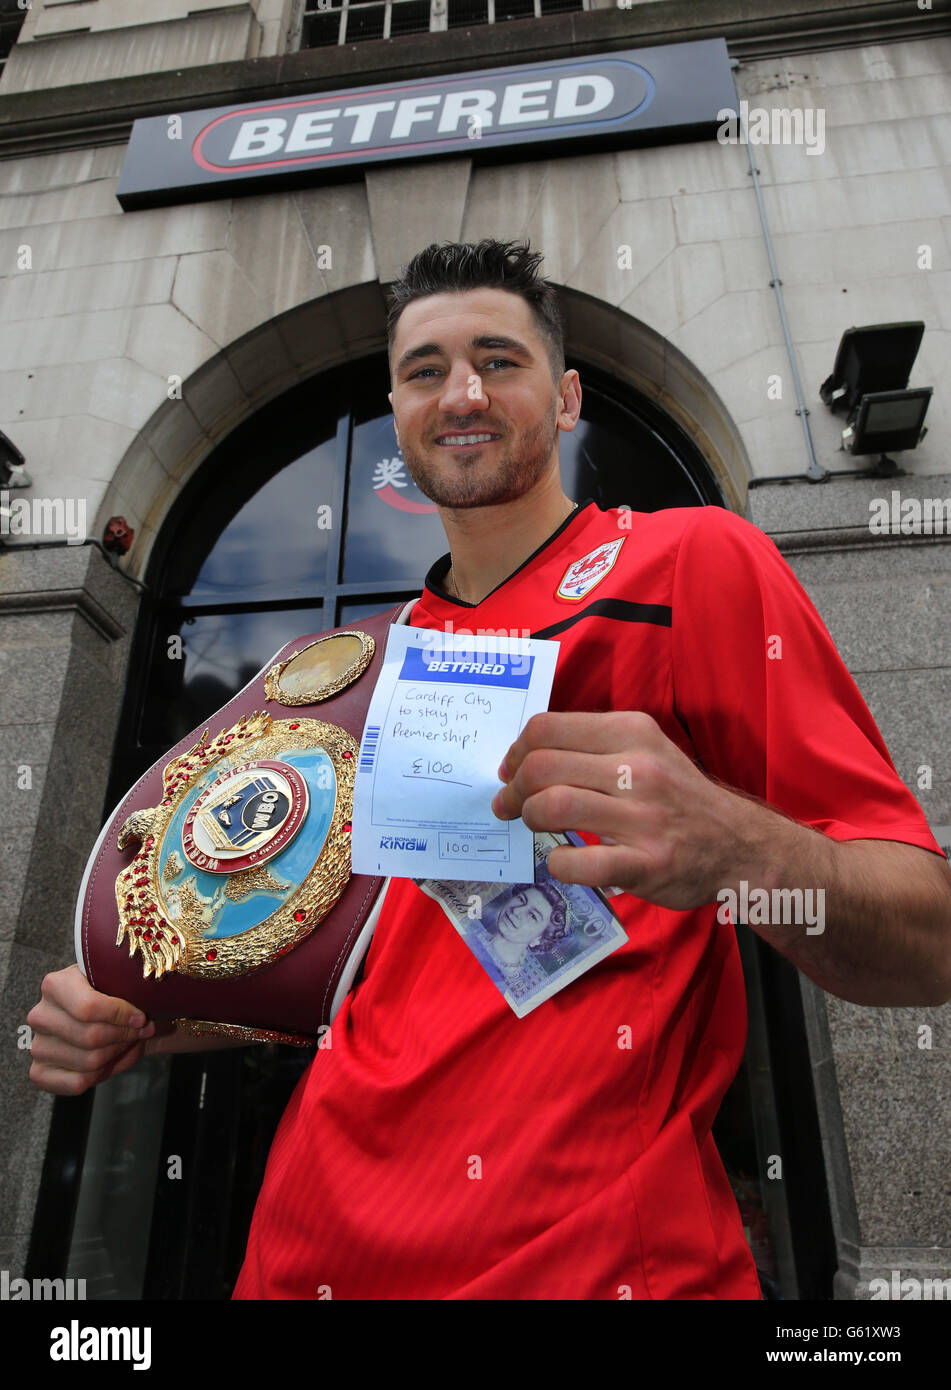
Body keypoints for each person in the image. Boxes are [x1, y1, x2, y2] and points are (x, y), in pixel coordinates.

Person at [28, 239, 951, 1301]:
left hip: (594, 1265)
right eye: (426, 370)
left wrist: (744, 852)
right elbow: (365, 974)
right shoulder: (366, 665)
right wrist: (145, 1014)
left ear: (564, 400)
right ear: (396, 413)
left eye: (497, 359)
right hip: (299, 1257)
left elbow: (924, 942)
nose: (461, 391)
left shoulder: (691, 564)